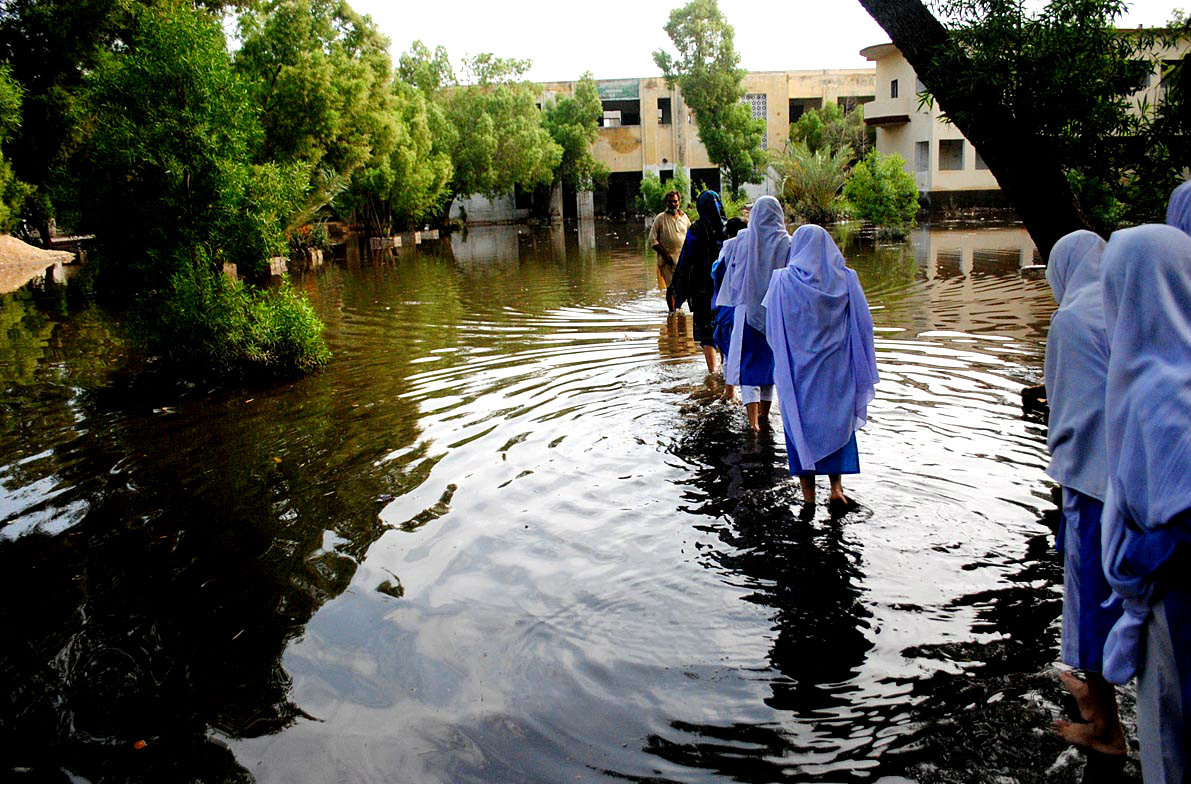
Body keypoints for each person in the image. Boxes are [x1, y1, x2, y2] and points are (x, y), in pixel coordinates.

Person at [1097, 224, 1191, 783]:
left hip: (1174, 599)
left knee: (1170, 747)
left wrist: (1134, 572)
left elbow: (1180, 521)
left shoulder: (1159, 390)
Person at [1041, 230, 1125, 756]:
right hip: (1133, 479)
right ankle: (1096, 693)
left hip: (1089, 481)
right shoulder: (1122, 302)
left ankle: (1104, 727)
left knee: (1090, 597)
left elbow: (1066, 407)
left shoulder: (1071, 319)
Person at [763, 224, 878, 510]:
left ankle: (808, 497)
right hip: (836, 369)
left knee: (801, 425)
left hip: (799, 371)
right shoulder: (847, 278)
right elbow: (865, 325)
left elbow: (772, 330)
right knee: (836, 422)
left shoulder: (782, 281)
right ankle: (836, 488)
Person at [718, 196, 790, 431]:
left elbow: (727, 266)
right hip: (775, 313)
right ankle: (765, 416)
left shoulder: (743, 240)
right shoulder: (786, 243)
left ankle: (752, 424)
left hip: (747, 312)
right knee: (769, 365)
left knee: (749, 363)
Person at [671, 190, 727, 374]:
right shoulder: (728, 230)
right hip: (725, 289)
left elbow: (686, 260)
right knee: (724, 326)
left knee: (706, 331)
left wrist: (678, 288)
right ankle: (725, 369)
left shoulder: (696, 230)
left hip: (702, 289)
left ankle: (713, 372)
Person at [711, 217, 748, 401]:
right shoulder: (753, 246)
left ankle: (729, 391)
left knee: (727, 348)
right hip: (747, 307)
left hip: (727, 306)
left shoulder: (728, 248)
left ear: (729, 232)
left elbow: (716, 274)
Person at [648, 190, 690, 312]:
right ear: (666, 203)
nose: (673, 204)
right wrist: (666, 256)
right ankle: (672, 314)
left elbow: (691, 236)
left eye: (675, 201)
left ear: (679, 202)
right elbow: (652, 241)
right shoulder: (660, 219)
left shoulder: (684, 217)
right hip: (667, 261)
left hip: (683, 260)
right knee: (671, 287)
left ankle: (679, 309)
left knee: (682, 287)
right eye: (670, 202)